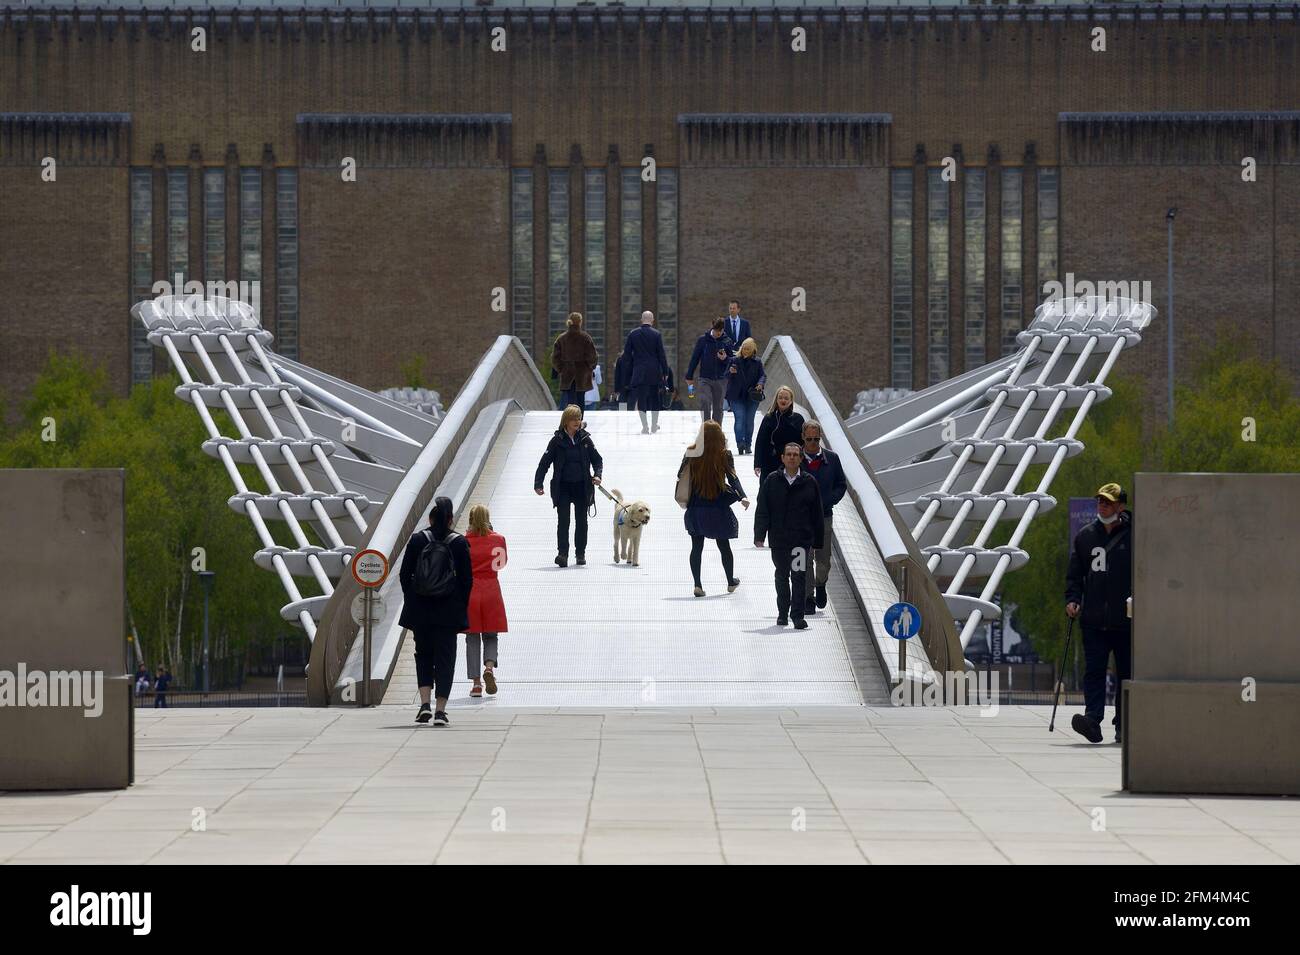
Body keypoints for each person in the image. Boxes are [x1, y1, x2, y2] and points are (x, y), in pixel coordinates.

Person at [1065, 482, 1134, 744]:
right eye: (1100, 502)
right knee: (1094, 671)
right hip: (1093, 620)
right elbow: (1074, 576)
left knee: (1126, 674)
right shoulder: (1086, 536)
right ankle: (1092, 720)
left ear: (1120, 506)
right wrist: (1072, 600)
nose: (1102, 506)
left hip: (1126, 621)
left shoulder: (1134, 536)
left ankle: (1123, 725)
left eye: (1108, 502)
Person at [399, 496, 473, 726]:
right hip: (448, 611)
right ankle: (440, 711)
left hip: (421, 609)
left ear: (431, 518)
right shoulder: (459, 543)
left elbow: (404, 575)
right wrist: (459, 604)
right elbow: (467, 580)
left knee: (423, 655)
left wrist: (413, 599)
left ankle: (424, 705)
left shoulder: (418, 539)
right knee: (445, 658)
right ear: (451, 519)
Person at [755, 443, 825, 629]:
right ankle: (782, 613)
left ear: (801, 459)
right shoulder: (771, 480)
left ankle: (797, 616)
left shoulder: (809, 482)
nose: (792, 457)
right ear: (783, 458)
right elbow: (763, 509)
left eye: (796, 454)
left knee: (799, 577)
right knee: (781, 576)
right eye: (789, 454)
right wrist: (759, 534)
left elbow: (817, 513)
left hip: (800, 542)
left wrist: (818, 540)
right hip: (779, 541)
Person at [678, 420, 749, 597]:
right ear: (720, 436)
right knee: (724, 546)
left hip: (696, 506)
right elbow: (733, 478)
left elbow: (680, 475)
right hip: (717, 506)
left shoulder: (691, 452)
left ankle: (697, 584)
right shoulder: (724, 454)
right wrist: (742, 496)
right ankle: (730, 581)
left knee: (696, 547)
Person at [534, 405, 604, 567]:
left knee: (581, 521)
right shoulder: (556, 441)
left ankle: (580, 554)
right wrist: (538, 483)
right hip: (563, 487)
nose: (577, 422)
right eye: (574, 419)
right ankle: (562, 554)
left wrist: (598, 475)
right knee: (563, 520)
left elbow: (597, 460)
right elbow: (544, 463)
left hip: (582, 486)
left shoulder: (585, 439)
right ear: (566, 421)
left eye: (579, 418)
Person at [799, 420, 847, 617]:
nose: (812, 443)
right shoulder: (795, 458)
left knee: (823, 559)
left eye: (816, 439)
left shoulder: (832, 459)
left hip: (825, 515)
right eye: (809, 439)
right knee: (805, 558)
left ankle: (821, 584)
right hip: (802, 518)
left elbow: (841, 484)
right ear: (803, 437)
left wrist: (830, 500)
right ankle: (808, 598)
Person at [464, 504, 507, 699]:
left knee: (472, 637)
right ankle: (489, 668)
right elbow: (501, 564)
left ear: (471, 520)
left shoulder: (463, 542)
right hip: (491, 590)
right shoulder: (498, 540)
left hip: (471, 591)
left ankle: (476, 685)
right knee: (491, 635)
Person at [623, 309, 670, 433]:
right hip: (654, 371)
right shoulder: (656, 334)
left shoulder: (633, 334)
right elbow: (661, 354)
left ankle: (645, 426)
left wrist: (627, 373)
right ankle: (654, 425)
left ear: (641, 320)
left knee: (641, 399)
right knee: (655, 399)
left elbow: (627, 355)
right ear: (652, 321)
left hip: (639, 370)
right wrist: (665, 371)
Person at [685, 317, 735, 426]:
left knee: (718, 408)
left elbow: (733, 361)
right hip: (705, 378)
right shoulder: (703, 340)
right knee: (705, 402)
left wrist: (725, 358)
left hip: (721, 379)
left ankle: (716, 432)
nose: (719, 333)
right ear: (713, 328)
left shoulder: (727, 341)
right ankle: (706, 427)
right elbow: (695, 358)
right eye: (717, 331)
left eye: (721, 331)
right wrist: (689, 376)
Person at [754, 386, 805, 485]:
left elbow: (803, 442)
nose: (783, 400)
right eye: (780, 397)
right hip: (770, 461)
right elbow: (761, 441)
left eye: (786, 398)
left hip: (790, 461)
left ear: (791, 401)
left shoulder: (798, 419)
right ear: (776, 400)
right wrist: (758, 463)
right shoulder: (769, 418)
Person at [725, 337, 765, 455]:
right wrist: (730, 372)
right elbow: (725, 375)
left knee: (749, 421)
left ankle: (748, 444)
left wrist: (760, 384)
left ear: (753, 350)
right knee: (740, 418)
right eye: (743, 349)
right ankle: (740, 443)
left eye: (748, 349)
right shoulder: (734, 360)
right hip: (736, 396)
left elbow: (763, 375)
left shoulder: (757, 362)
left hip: (752, 396)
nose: (745, 351)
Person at [552, 312, 598, 411]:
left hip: (567, 373)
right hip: (582, 374)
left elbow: (555, 358)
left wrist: (561, 369)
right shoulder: (586, 337)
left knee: (570, 399)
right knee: (581, 398)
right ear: (580, 322)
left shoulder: (561, 338)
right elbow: (593, 357)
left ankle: (570, 421)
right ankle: (579, 421)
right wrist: (591, 367)